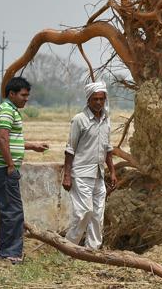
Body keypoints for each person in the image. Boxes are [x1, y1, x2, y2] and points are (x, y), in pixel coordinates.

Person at [0, 76, 50, 264]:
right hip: (3, 169)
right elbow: (3, 139)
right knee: (14, 212)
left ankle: (5, 252)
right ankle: (10, 255)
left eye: (28, 95)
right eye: (23, 95)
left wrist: (33, 146)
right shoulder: (7, 110)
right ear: (12, 94)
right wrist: (11, 166)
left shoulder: (10, 109)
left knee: (9, 211)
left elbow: (12, 140)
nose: (26, 99)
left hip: (3, 168)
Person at [62, 81, 117, 249]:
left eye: (102, 99)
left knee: (98, 214)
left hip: (99, 174)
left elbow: (108, 149)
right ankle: (69, 248)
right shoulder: (79, 120)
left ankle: (92, 250)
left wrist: (112, 172)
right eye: (95, 99)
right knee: (83, 213)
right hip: (81, 173)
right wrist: (66, 175)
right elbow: (70, 149)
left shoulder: (106, 120)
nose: (99, 102)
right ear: (88, 100)